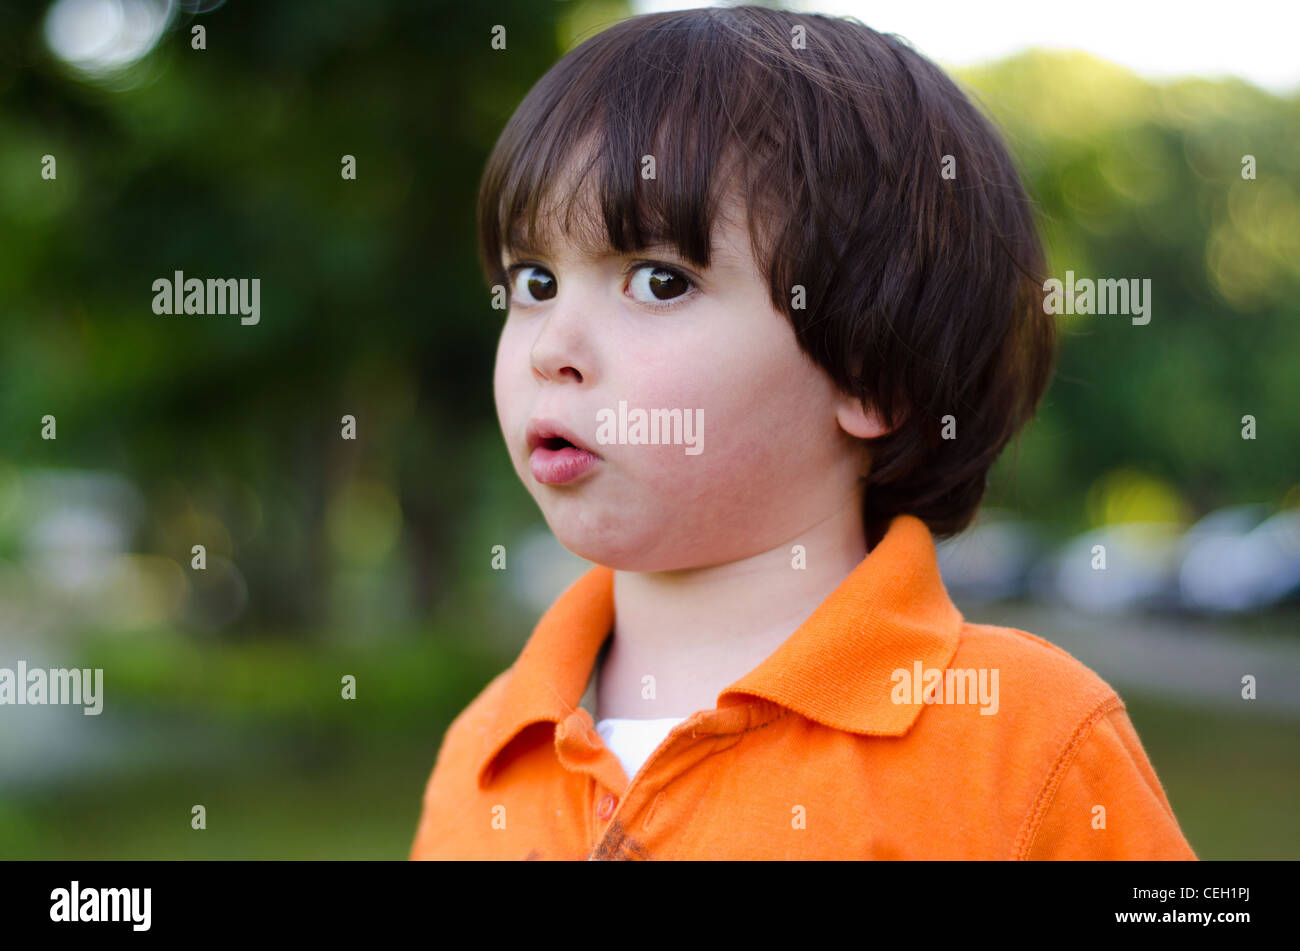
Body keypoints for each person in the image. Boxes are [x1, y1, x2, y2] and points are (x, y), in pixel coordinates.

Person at [410, 5, 1196, 860]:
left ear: (870, 372)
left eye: (659, 281)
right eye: (533, 280)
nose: (552, 347)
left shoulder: (1027, 739)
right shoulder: (481, 752)